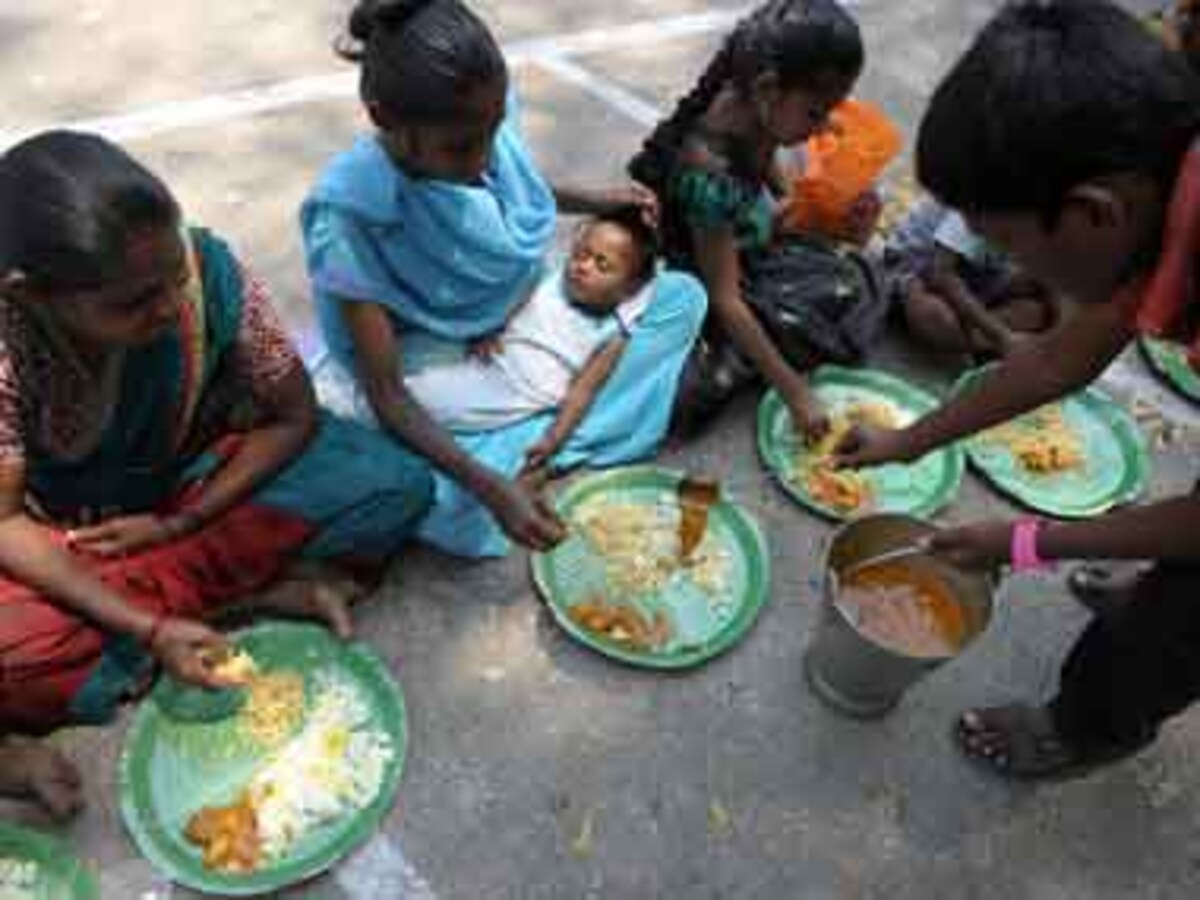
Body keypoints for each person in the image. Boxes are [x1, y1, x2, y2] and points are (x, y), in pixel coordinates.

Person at [0, 131, 433, 818]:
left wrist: (181, 521)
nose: (169, 307)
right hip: (72, 540)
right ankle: (228, 602)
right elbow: (6, 522)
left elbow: (293, 416)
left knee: (389, 483)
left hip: (197, 483)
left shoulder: (207, 270)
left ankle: (180, 613)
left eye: (172, 280)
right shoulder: (7, 342)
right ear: (32, 296)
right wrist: (148, 627)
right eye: (132, 303)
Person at [836, 0, 1200, 780]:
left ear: (1093, 214)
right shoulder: (1155, 178)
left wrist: (1028, 543)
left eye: (1006, 243)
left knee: (1171, 630)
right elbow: (1055, 359)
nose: (1011, 268)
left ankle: (1087, 729)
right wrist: (906, 441)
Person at [303, 0, 706, 558]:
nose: (482, 160)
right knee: (461, 514)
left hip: (511, 309)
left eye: (493, 133)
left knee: (683, 295)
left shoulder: (476, 123)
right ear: (383, 117)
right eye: (461, 148)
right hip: (433, 353)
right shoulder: (350, 218)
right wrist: (490, 489)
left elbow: (517, 186)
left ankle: (541, 443)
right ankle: (540, 450)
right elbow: (389, 393)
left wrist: (599, 199)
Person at [629, 0, 883, 438]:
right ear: (768, 90)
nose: (823, 127)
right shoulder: (706, 172)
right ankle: (731, 357)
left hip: (744, 252)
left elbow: (774, 189)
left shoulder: (756, 109)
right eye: (815, 113)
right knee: (690, 396)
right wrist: (796, 393)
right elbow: (724, 297)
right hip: (705, 286)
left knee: (853, 281)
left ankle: (750, 352)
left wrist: (819, 207)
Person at [406, 207, 659, 479]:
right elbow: (507, 310)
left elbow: (582, 393)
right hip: (493, 359)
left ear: (628, 290)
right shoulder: (549, 282)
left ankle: (383, 404)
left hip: (522, 390)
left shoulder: (613, 333)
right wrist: (488, 332)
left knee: (426, 401)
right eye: (581, 254)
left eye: (602, 265)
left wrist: (554, 438)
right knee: (421, 356)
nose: (583, 267)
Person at [885, 199, 1061, 360]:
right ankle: (981, 341)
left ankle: (970, 338)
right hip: (919, 269)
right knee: (935, 316)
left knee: (1035, 312)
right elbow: (939, 274)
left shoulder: (1042, 221)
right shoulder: (985, 201)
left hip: (971, 279)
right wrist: (1001, 335)